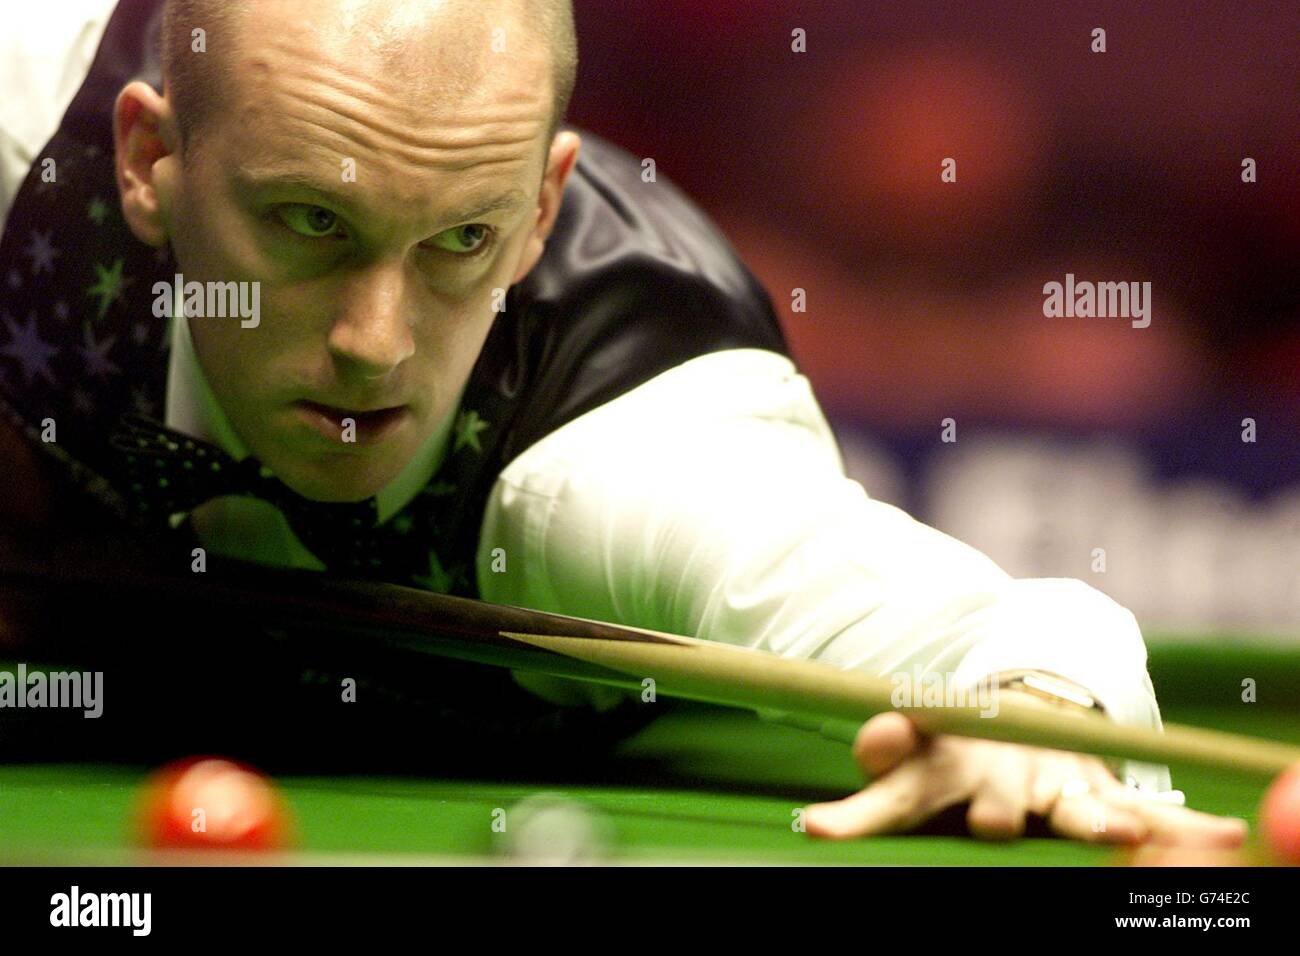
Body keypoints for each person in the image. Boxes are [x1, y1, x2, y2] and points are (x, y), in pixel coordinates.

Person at [0, 0, 1245, 846]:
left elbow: (997, 638)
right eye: (309, 224)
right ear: (148, 161)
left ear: (543, 205)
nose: (376, 343)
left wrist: (1037, 711)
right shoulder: (25, 130)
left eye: (460, 242)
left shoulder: (626, 440)